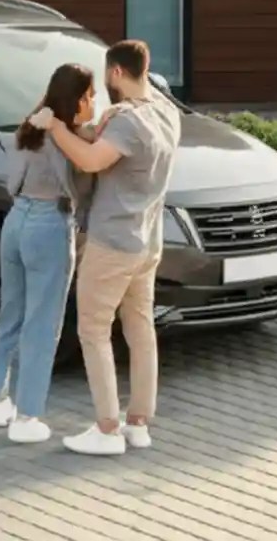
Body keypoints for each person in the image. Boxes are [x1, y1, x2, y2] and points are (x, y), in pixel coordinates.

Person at [32, 39, 181, 455]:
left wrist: (56, 128)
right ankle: (139, 424)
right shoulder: (166, 112)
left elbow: (91, 161)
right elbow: (122, 144)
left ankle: (106, 428)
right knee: (140, 330)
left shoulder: (127, 123)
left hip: (113, 242)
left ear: (116, 72)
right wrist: (109, 118)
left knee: (93, 329)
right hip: (148, 242)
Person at [0, 63, 96, 444]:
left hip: (15, 220)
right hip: (49, 224)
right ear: (77, 98)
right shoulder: (64, 137)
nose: (94, 102)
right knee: (43, 324)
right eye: (90, 95)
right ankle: (28, 416)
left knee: (10, 313)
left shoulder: (28, 127)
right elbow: (83, 175)